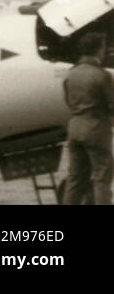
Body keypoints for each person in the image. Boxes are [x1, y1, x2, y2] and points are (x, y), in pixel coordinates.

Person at [62, 31, 114, 205]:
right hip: (96, 128)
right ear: (98, 50)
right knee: (102, 177)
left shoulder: (70, 74)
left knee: (75, 179)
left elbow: (69, 102)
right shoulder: (102, 75)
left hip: (75, 127)